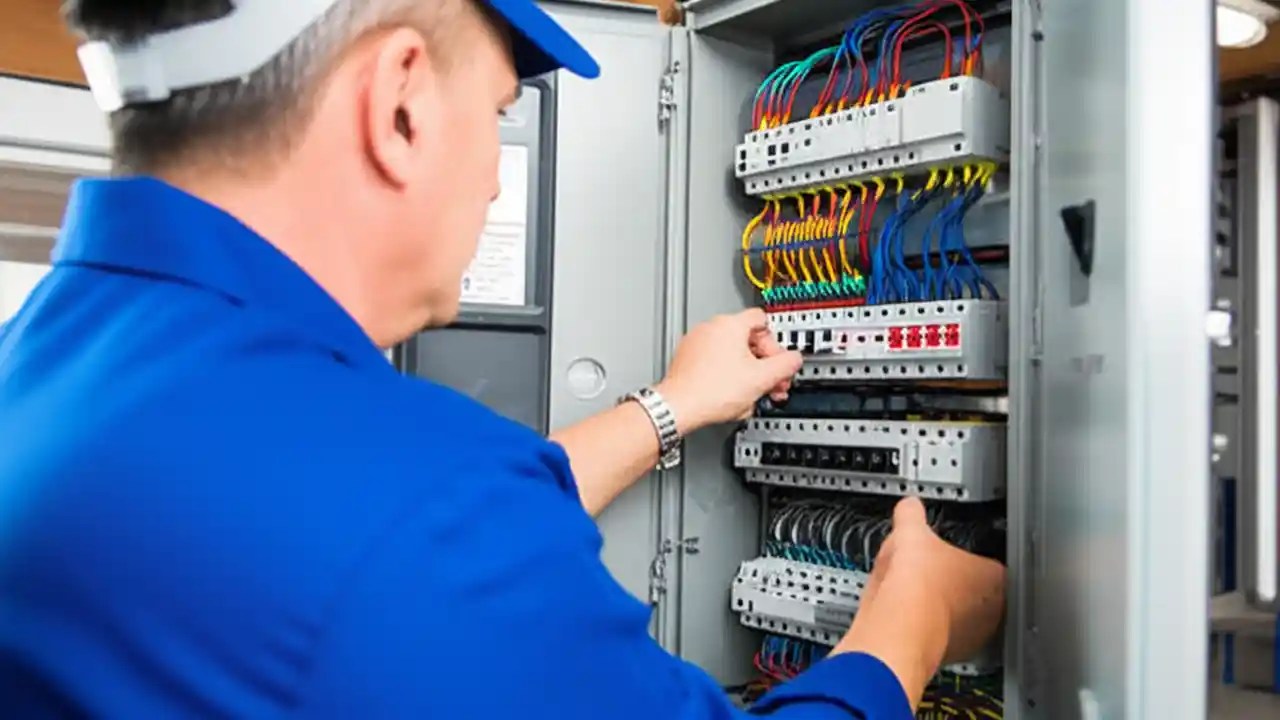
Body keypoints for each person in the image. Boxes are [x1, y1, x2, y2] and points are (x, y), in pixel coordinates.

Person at [0, 0, 1005, 717]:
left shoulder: (46, 371)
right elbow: (409, 533)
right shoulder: (414, 514)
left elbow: (372, 528)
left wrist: (672, 405)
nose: (489, 183)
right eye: (494, 115)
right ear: (399, 103)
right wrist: (908, 621)